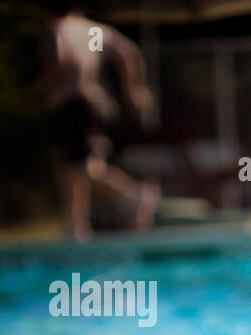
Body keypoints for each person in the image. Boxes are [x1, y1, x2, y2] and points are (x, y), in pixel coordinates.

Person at [33, 4, 159, 239]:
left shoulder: (59, 29)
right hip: (96, 102)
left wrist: (38, 87)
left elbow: (64, 59)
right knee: (77, 165)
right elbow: (127, 52)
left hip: (72, 103)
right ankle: (76, 225)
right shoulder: (93, 29)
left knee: (76, 167)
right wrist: (134, 89)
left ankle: (135, 195)